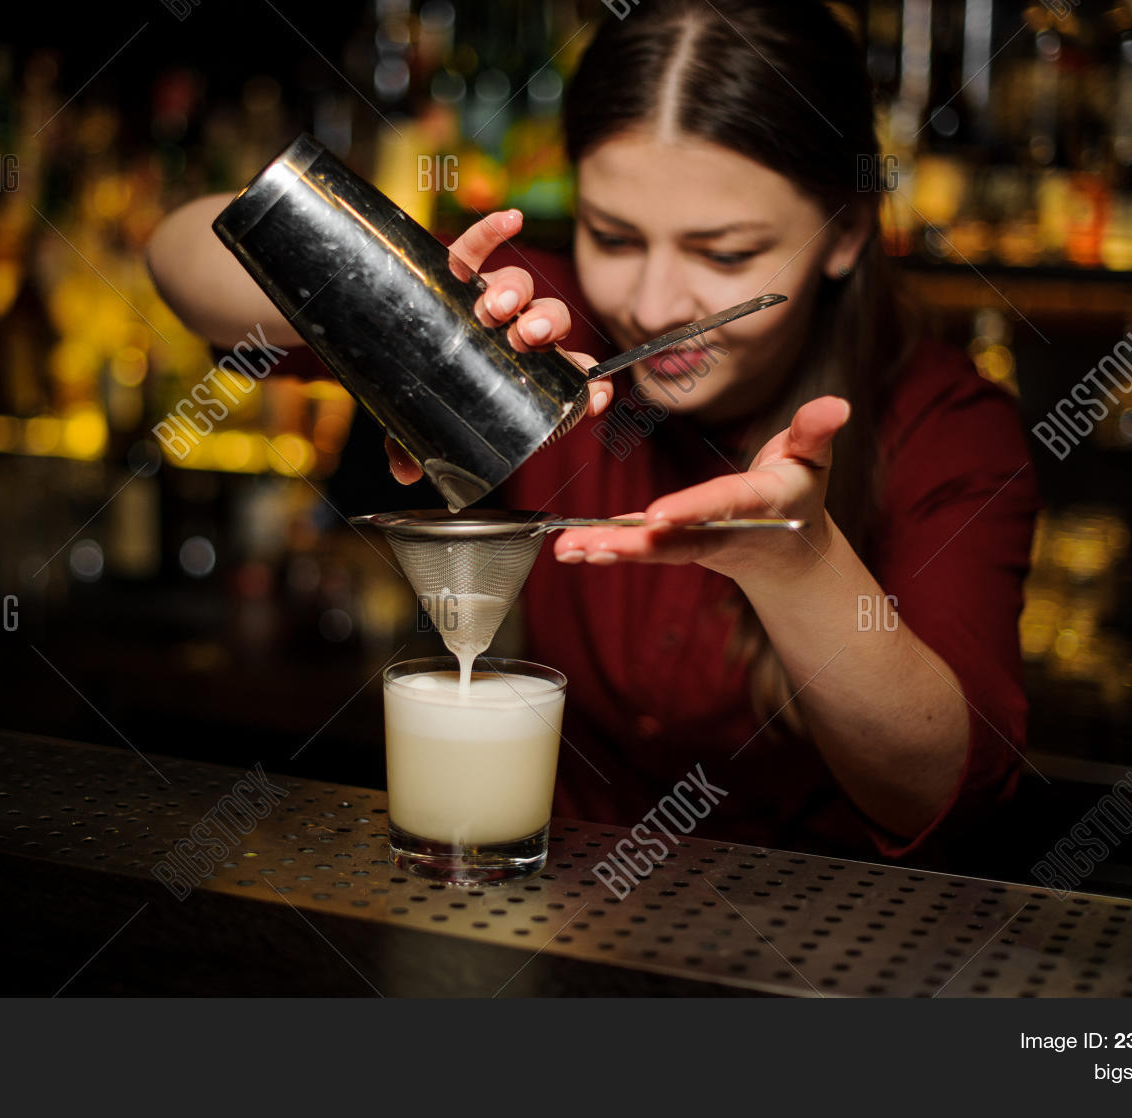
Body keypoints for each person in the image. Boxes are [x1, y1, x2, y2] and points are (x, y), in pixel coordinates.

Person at [147, 0, 1039, 869]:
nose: (653, 306)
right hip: (555, 934)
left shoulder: (949, 428)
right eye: (614, 237)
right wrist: (408, 311)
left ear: (843, 233)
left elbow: (936, 793)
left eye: (723, 254)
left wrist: (794, 563)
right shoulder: (541, 325)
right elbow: (184, 263)